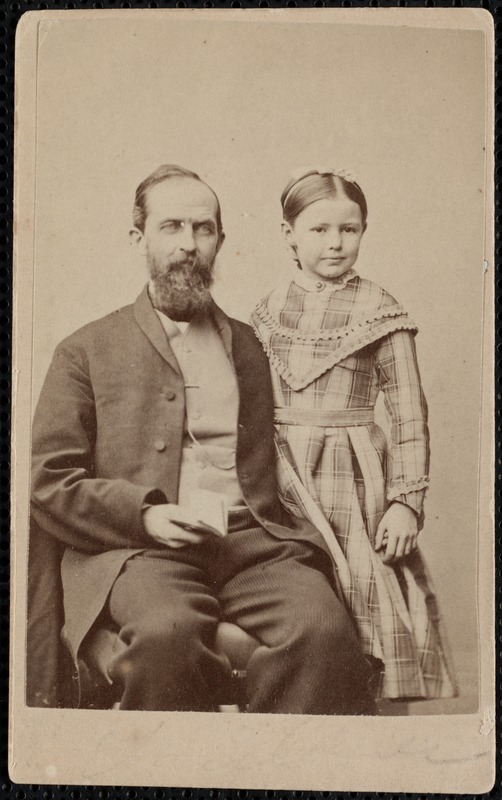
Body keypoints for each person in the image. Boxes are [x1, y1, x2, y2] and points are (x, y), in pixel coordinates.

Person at [28, 164, 375, 714]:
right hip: (140, 552)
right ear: (138, 238)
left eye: (203, 228)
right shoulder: (85, 350)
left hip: (253, 547)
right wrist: (144, 515)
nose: (188, 245)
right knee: (168, 636)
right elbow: (47, 480)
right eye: (171, 228)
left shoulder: (251, 345)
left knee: (324, 633)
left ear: (220, 240)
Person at [251, 167, 457, 701]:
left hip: (352, 479)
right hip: (280, 474)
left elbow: (409, 414)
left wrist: (405, 503)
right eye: (319, 230)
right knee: (298, 600)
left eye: (350, 229)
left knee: (363, 595)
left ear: (364, 230)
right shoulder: (266, 311)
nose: (336, 243)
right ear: (288, 233)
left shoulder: (381, 309)